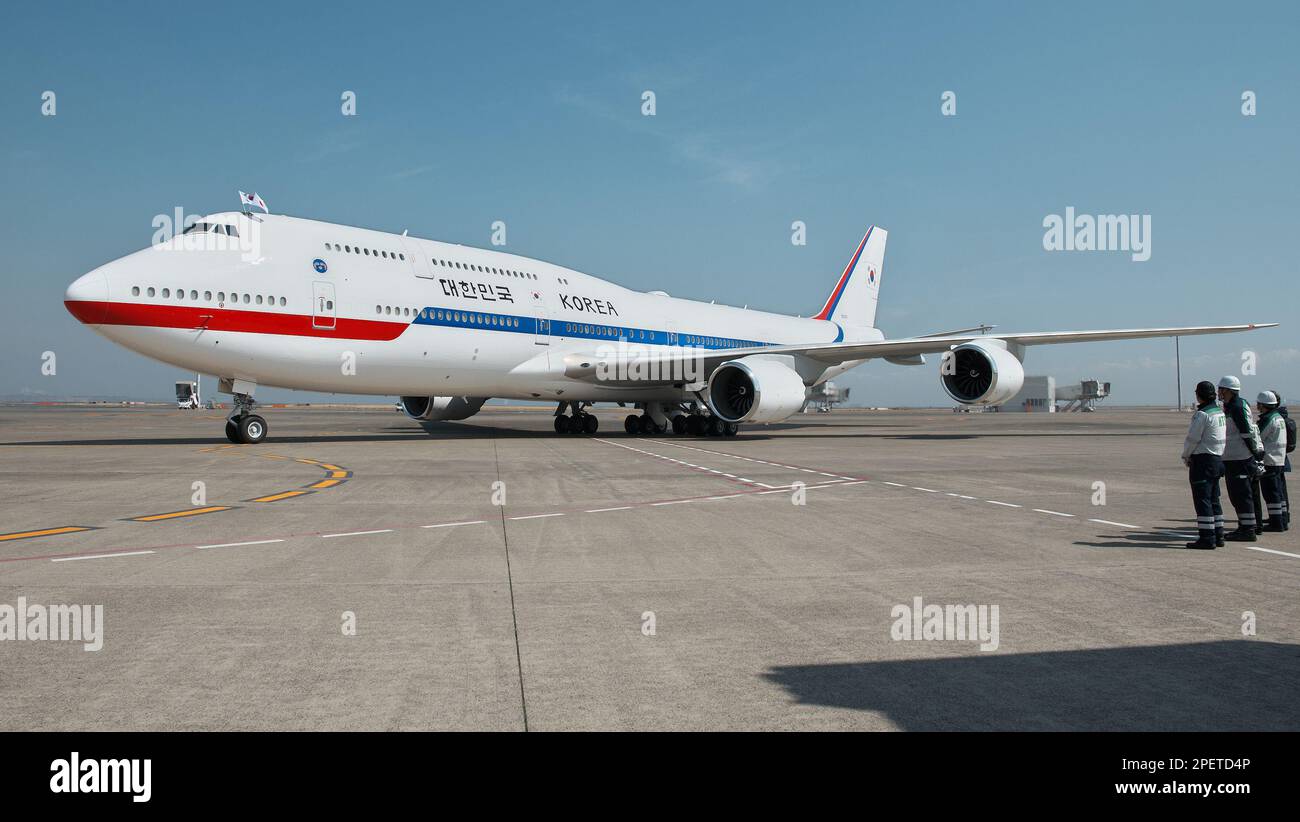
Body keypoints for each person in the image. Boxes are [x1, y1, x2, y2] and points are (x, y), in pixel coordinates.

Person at [1217, 375, 1264, 542]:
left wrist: (1253, 452)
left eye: (1221, 390)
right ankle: (1247, 526)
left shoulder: (1236, 406)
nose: (1219, 393)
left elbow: (1246, 431)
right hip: (1234, 457)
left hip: (1239, 457)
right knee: (1239, 495)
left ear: (1229, 390)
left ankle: (1247, 529)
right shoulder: (1232, 405)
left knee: (1241, 495)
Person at [1181, 381, 1227, 549]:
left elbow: (1193, 438)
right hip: (1217, 459)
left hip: (1203, 461)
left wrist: (1186, 455)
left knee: (1203, 500)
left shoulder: (1202, 415)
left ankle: (1207, 538)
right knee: (1214, 499)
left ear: (1198, 395)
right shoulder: (1219, 412)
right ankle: (1218, 534)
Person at [1256, 391, 1289, 532]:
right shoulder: (1278, 417)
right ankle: (1281, 518)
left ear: (1262, 405)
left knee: (1271, 492)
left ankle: (1276, 522)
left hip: (1270, 460)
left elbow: (1258, 437)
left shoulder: (1268, 419)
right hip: (1279, 459)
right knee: (1279, 492)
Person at [1271, 390, 1293, 528]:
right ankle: (1283, 516)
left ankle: (1279, 518)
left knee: (1276, 489)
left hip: (1275, 458)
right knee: (1281, 488)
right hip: (1282, 458)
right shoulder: (1282, 417)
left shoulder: (1274, 418)